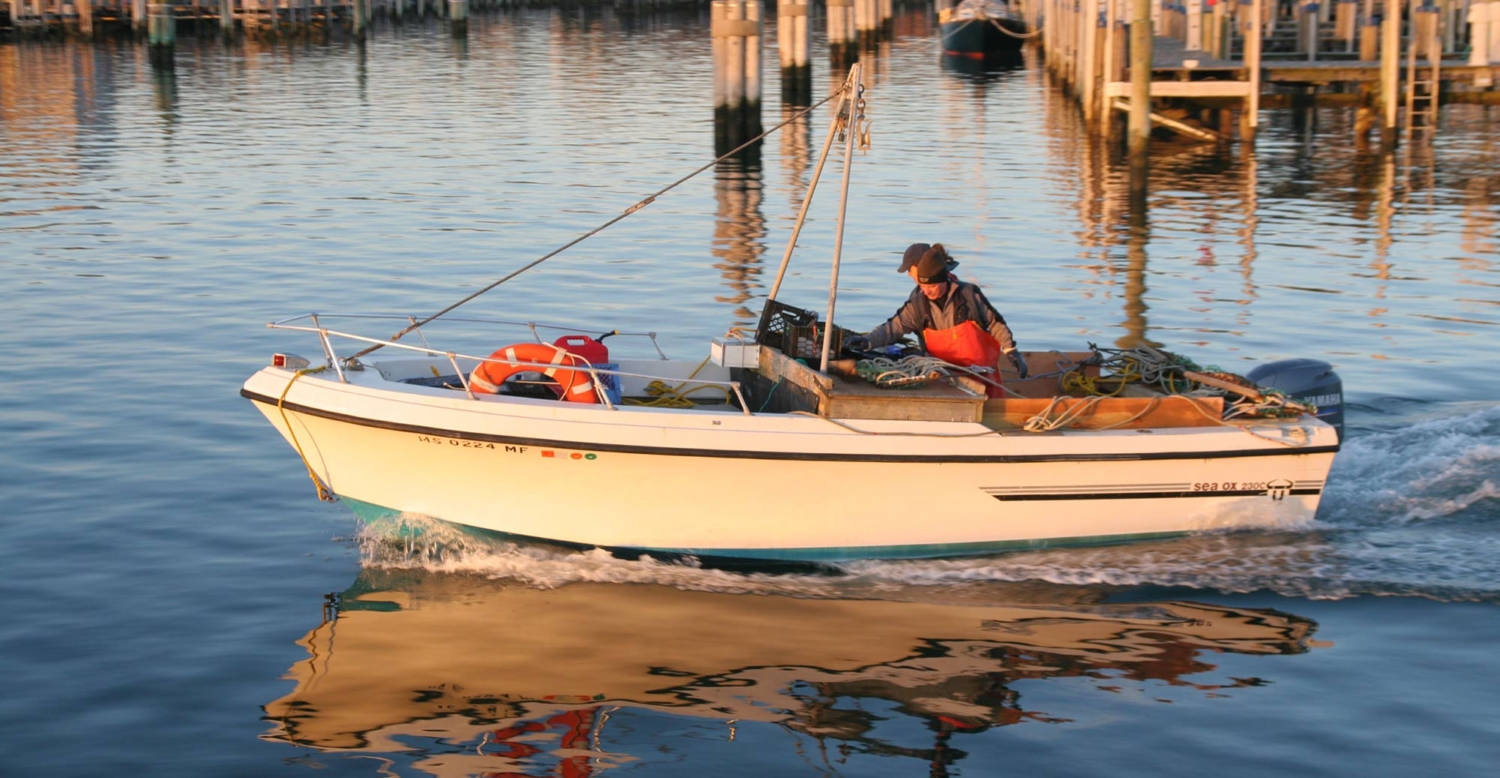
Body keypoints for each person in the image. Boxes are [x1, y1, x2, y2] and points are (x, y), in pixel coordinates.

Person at [846, 243, 1028, 380]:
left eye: (932, 286)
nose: (926, 291)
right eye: (923, 286)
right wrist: (867, 342)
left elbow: (995, 323)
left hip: (983, 376)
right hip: (942, 377)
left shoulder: (969, 295)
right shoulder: (918, 303)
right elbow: (892, 328)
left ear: (944, 279)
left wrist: (1010, 349)